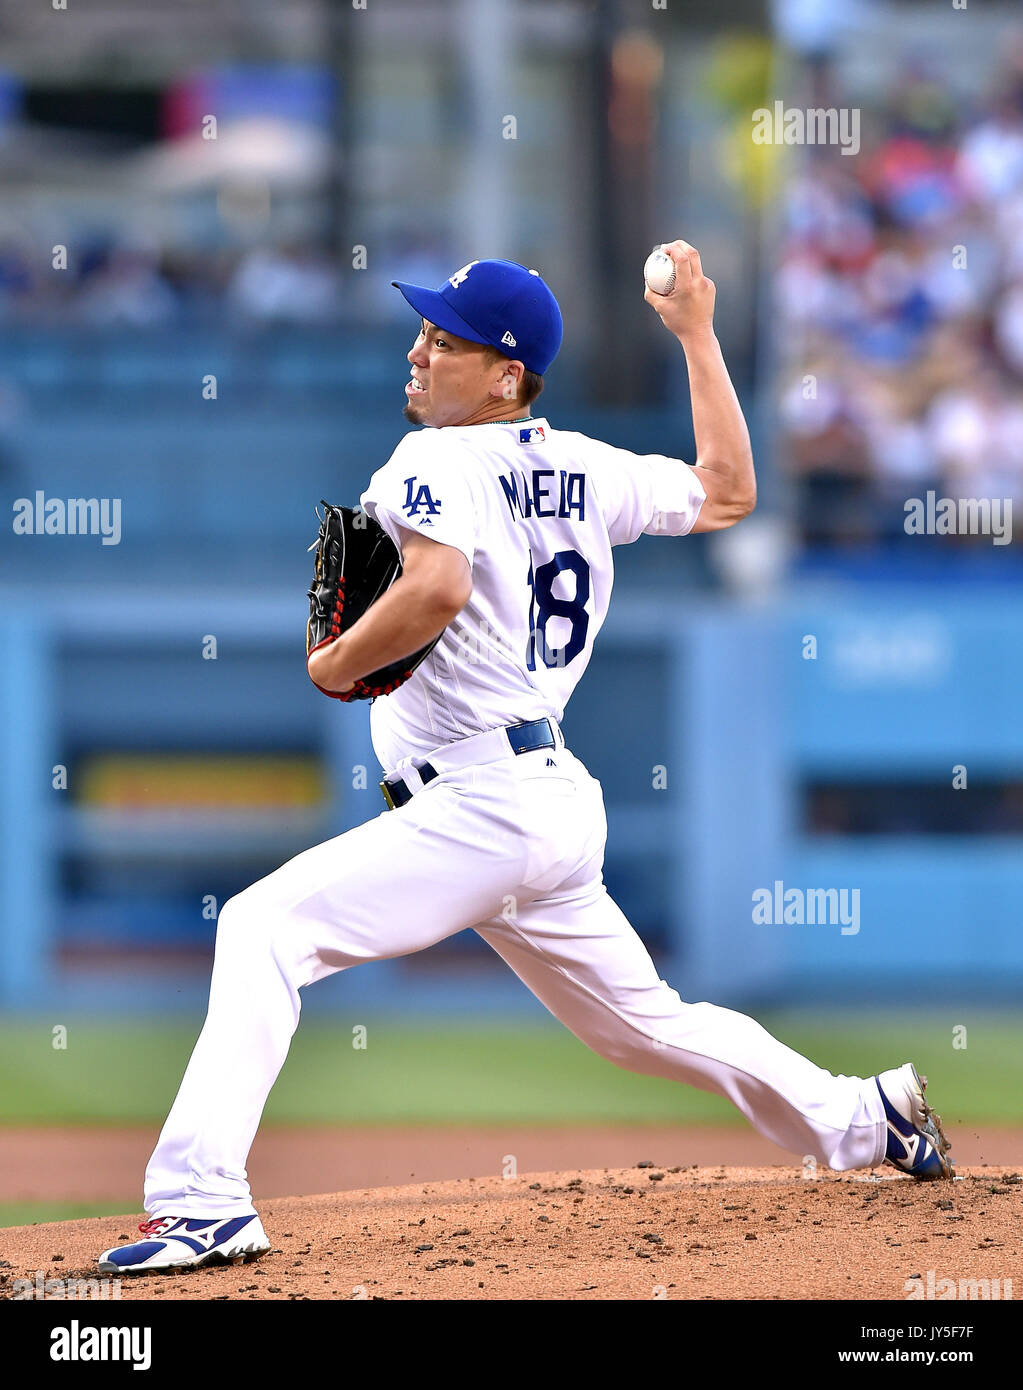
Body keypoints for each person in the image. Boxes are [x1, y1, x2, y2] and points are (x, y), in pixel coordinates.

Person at [98, 243, 951, 1276]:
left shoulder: (432, 461)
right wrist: (696, 334)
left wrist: (335, 663)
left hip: (479, 801)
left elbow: (439, 588)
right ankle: (869, 1117)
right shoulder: (591, 469)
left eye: (443, 340)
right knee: (644, 1027)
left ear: (507, 375)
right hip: (541, 801)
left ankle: (201, 1203)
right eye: (421, 331)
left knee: (262, 927)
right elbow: (728, 491)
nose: (417, 354)